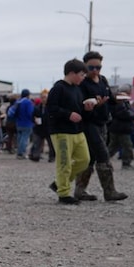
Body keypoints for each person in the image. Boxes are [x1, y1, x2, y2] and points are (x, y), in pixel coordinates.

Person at [74, 51, 127, 201]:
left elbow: (109, 98)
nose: (95, 70)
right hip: (89, 124)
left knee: (89, 158)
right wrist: (93, 106)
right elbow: (79, 105)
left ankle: (79, 190)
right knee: (103, 156)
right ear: (85, 67)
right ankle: (109, 191)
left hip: (103, 122)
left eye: (98, 67)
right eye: (91, 67)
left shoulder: (102, 80)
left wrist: (116, 99)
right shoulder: (82, 83)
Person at [45, 59, 90, 204]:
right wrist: (68, 114)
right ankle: (63, 193)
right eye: (81, 74)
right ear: (71, 73)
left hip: (77, 130)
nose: (83, 78)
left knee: (84, 160)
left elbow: (78, 108)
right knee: (64, 163)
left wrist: (87, 108)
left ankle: (59, 184)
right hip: (61, 132)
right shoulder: (58, 88)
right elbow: (51, 108)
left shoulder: (77, 89)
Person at [107, 94, 134, 170]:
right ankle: (126, 163)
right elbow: (125, 114)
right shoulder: (120, 105)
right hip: (121, 129)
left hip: (118, 128)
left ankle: (103, 159)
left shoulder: (120, 104)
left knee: (113, 146)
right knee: (127, 146)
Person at [7, 89, 35, 159]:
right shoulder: (28, 102)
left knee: (19, 138)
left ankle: (18, 152)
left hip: (18, 123)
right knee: (25, 139)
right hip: (27, 123)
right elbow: (30, 113)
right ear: (28, 95)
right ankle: (21, 153)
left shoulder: (18, 102)